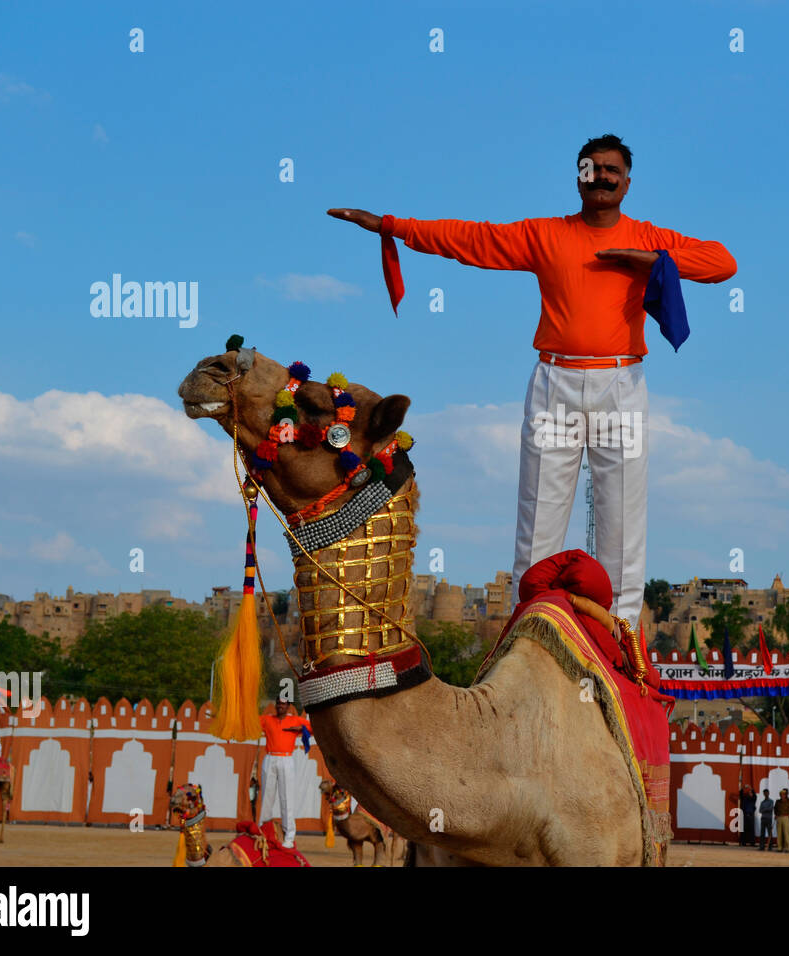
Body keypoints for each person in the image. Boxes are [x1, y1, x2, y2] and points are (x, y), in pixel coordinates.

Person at [327, 134, 737, 630]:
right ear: (578, 177)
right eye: (593, 168)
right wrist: (393, 227)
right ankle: (529, 632)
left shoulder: (648, 238)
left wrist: (656, 263)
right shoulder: (546, 234)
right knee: (539, 517)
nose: (603, 176)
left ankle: (622, 642)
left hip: (621, 382)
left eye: (613, 170)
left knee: (624, 521)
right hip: (555, 380)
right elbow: (472, 239)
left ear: (628, 183)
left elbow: (723, 263)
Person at [258, 696, 311, 848]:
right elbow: (250, 723)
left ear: (288, 706)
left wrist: (301, 729)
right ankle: (264, 831)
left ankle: (289, 836)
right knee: (266, 797)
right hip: (270, 758)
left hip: (287, 759)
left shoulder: (295, 720)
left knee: (286, 798)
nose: (280, 706)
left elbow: (313, 728)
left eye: (283, 704)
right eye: (278, 703)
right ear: (276, 705)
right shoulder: (267, 719)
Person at [775, 788, 789, 852]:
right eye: (781, 794)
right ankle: (779, 847)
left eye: (783, 794)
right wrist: (776, 814)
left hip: (786, 817)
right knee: (779, 833)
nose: (782, 795)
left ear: (786, 795)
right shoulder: (778, 801)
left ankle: (787, 847)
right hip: (779, 817)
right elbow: (775, 809)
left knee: (786, 833)